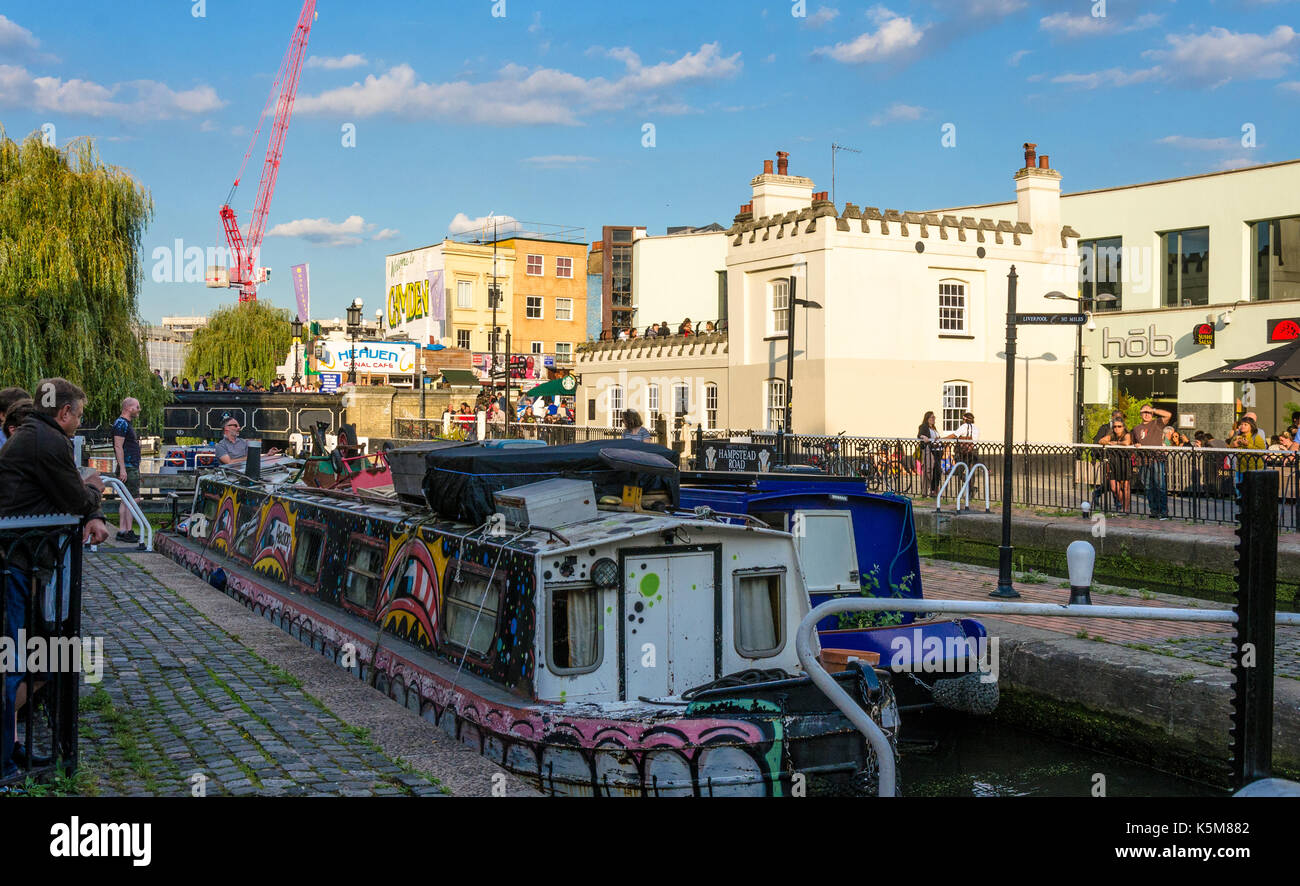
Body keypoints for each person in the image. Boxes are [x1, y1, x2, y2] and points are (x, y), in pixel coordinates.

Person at [0, 378, 110, 776]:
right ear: (64, 412)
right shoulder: (49, 442)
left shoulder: (33, 434)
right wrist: (95, 493)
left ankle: (12, 751)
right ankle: (6, 764)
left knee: (25, 658)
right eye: (78, 415)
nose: (79, 423)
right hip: (15, 563)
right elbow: (75, 499)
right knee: (13, 662)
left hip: (20, 561)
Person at [1131, 404, 1171, 519]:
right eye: (1144, 412)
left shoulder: (1157, 423)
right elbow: (1132, 442)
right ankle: (1154, 510)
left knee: (1160, 485)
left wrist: (1153, 409)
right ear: (1140, 414)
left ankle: (1163, 511)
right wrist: (1135, 445)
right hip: (1143, 461)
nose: (1147, 414)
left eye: (1149, 412)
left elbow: (1168, 415)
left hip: (1157, 459)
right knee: (1148, 487)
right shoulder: (1136, 428)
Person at [112, 397, 143, 543]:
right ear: (129, 408)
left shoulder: (123, 423)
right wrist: (123, 469)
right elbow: (118, 446)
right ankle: (129, 530)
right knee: (133, 499)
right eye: (137, 407)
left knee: (125, 500)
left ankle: (122, 530)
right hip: (128, 467)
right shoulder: (121, 424)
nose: (139, 409)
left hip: (130, 466)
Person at [1097, 417, 1134, 513]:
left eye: (1119, 426)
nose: (1117, 428)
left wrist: (1116, 443)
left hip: (1124, 461)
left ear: (1123, 427)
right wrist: (1108, 442)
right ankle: (1123, 504)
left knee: (1126, 486)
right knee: (1114, 487)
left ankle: (1126, 508)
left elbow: (1126, 442)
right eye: (1115, 427)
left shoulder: (1127, 434)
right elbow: (1101, 441)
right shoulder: (1112, 435)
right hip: (1113, 462)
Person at [917, 411, 941, 495]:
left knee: (937, 470)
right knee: (929, 470)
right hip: (929, 450)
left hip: (937, 451)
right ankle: (932, 489)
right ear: (927, 418)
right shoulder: (923, 426)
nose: (934, 419)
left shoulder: (934, 428)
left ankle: (932, 490)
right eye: (932, 417)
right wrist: (923, 436)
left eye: (934, 417)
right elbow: (919, 434)